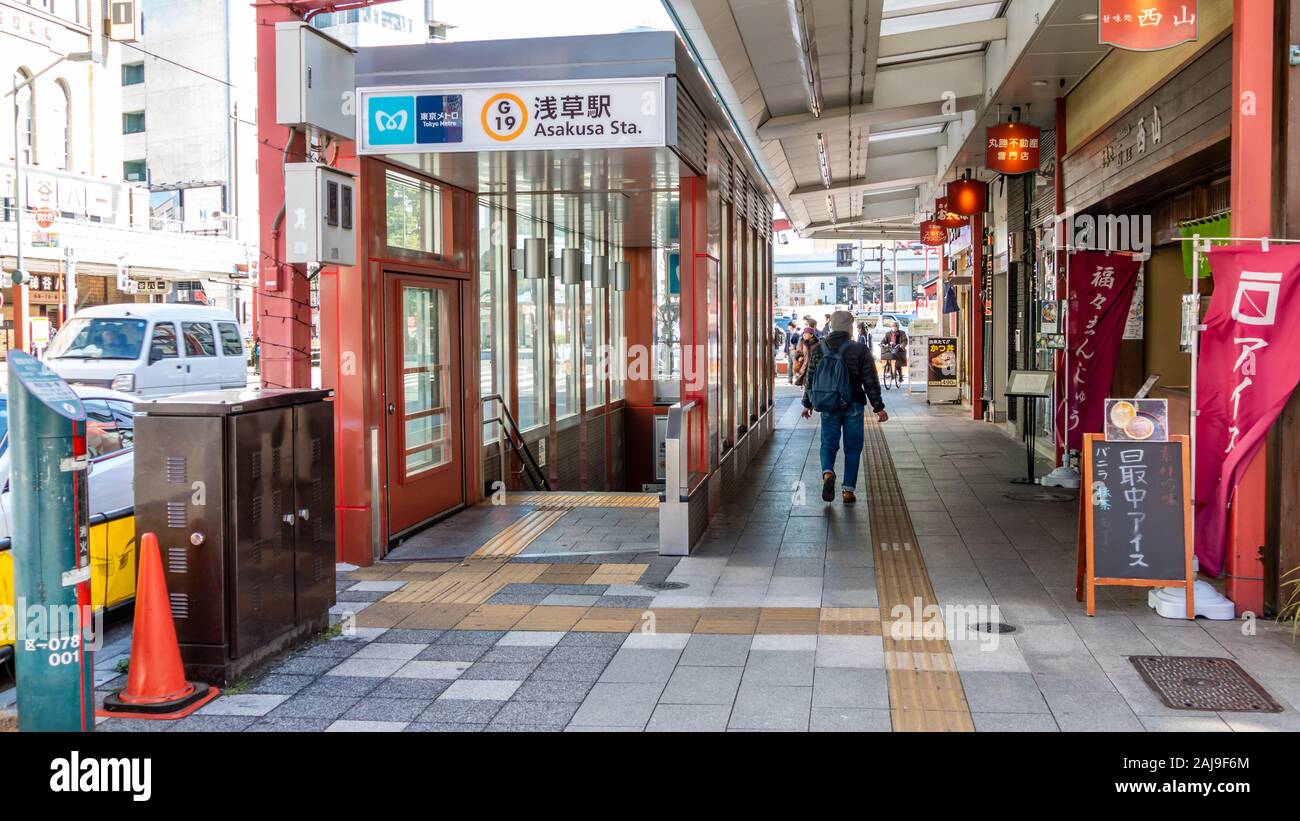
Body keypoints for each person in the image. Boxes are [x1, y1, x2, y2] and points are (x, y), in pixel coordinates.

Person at [801, 310, 888, 504]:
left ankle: (827, 472)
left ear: (832, 326)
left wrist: (807, 404)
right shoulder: (860, 350)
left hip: (829, 404)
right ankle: (848, 490)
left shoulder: (818, 348)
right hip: (854, 404)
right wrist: (878, 407)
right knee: (853, 447)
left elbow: (811, 379)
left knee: (828, 444)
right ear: (849, 327)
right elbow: (870, 380)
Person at [792, 318, 820, 385]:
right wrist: (799, 356)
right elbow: (798, 351)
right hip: (805, 367)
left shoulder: (818, 343)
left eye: (806, 333)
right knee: (805, 384)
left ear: (812, 335)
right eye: (804, 333)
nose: (804, 335)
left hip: (815, 368)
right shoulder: (802, 342)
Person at [881, 321, 908, 387]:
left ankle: (900, 376)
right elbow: (884, 340)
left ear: (898, 327)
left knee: (898, 363)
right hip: (891, 349)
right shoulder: (888, 333)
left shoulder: (902, 333)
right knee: (887, 355)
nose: (894, 327)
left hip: (899, 349)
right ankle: (889, 369)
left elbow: (905, 340)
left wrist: (902, 345)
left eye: (895, 326)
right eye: (893, 326)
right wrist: (882, 343)